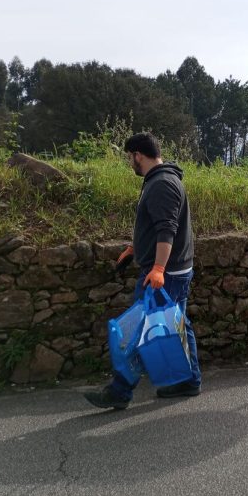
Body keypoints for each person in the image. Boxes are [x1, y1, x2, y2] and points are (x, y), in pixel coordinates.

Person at [85, 132, 202, 409]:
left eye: (130, 157)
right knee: (180, 324)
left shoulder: (162, 184)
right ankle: (190, 380)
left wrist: (158, 267)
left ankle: (120, 391)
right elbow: (153, 226)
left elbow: (166, 230)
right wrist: (134, 248)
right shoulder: (159, 179)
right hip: (174, 270)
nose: (130, 163)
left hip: (165, 274)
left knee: (138, 328)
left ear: (138, 155)